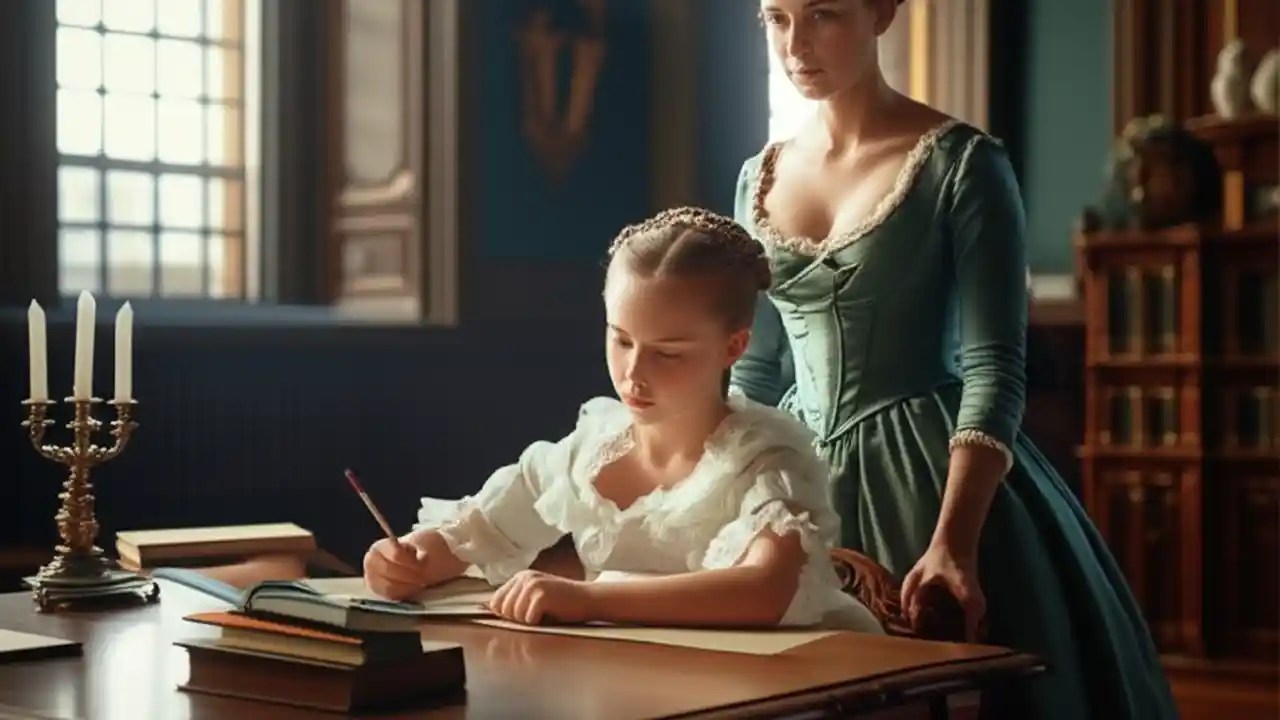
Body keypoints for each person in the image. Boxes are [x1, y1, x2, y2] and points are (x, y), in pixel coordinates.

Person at [730, 1, 1179, 718]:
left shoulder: (964, 163)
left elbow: (995, 367)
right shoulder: (760, 174)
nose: (796, 44)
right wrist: (722, 504)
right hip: (795, 478)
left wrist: (955, 542)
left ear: (882, 12)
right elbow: (753, 369)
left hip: (932, 481)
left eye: (823, 15)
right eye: (776, 19)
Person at [363, 207, 883, 633]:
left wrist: (591, 600)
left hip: (810, 683)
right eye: (621, 339)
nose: (634, 372)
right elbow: (479, 530)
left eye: (668, 353)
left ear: (734, 346)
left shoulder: (765, 459)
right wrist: (408, 560)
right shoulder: (591, 449)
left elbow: (764, 588)